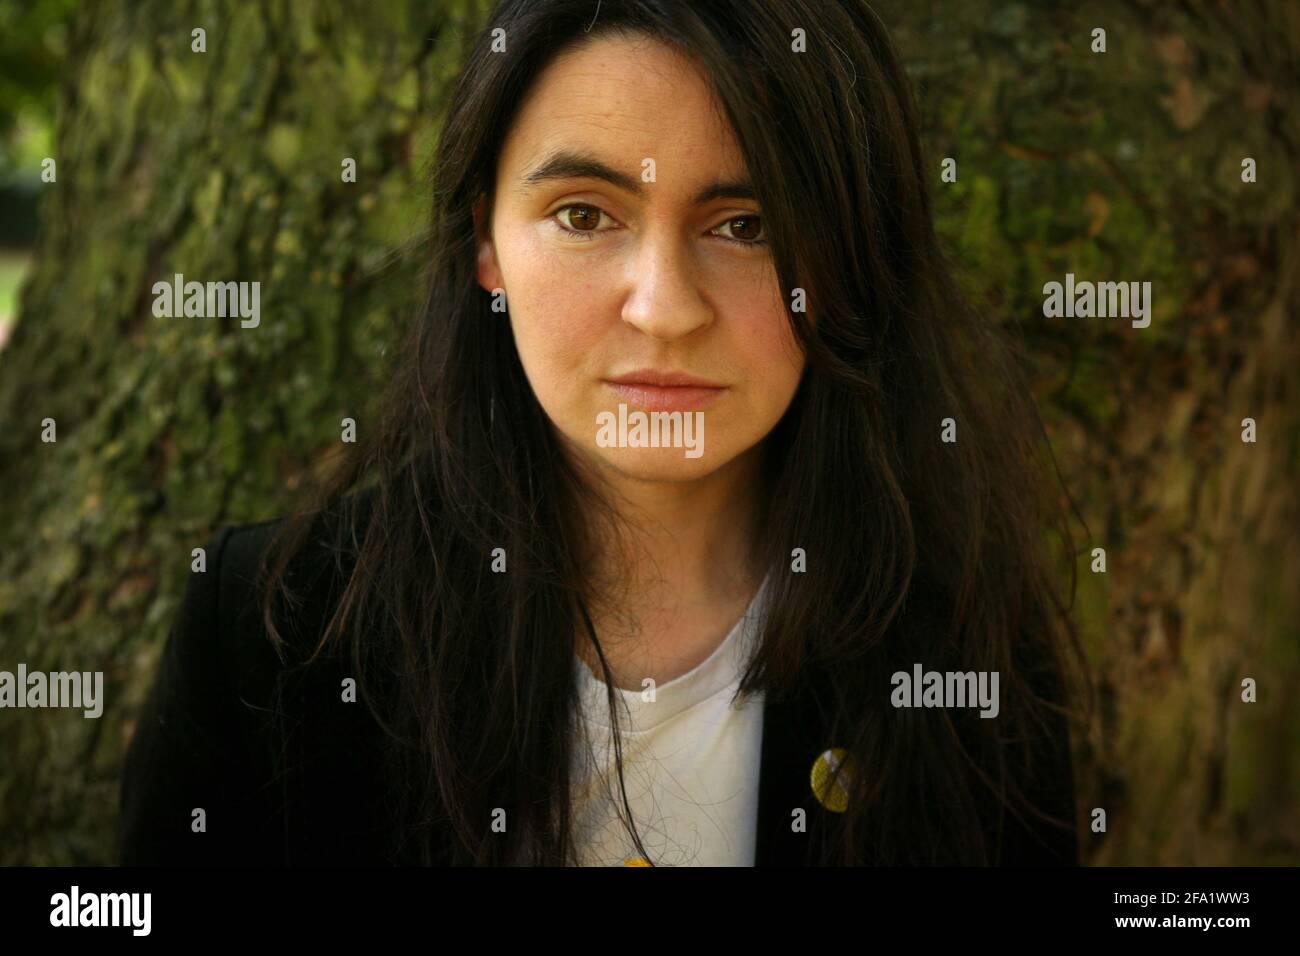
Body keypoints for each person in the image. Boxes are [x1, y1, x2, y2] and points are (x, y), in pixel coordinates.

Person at [120, 0, 1087, 867]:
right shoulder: (274, 638)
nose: (665, 309)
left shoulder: (962, 657)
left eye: (746, 225)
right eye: (584, 214)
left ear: (842, 265)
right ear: (485, 246)